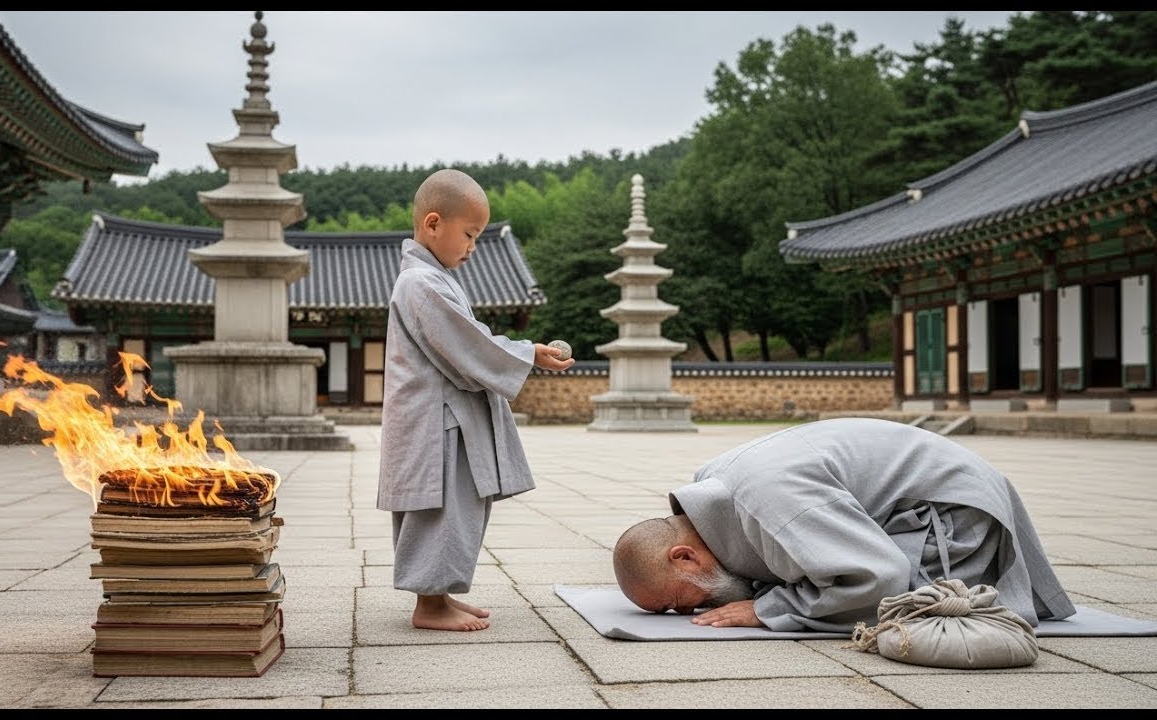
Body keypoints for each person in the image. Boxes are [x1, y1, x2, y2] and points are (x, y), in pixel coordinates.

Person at [612, 417, 1077, 633]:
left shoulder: (766, 499)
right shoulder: (710, 489)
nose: (688, 614)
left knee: (908, 607)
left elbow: (880, 574)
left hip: (955, 511)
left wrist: (769, 610)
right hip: (920, 493)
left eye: (676, 603)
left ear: (684, 555)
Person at [378, 168, 575, 632]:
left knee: (457, 507)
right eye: (468, 234)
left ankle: (440, 594)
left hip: (444, 417)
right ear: (432, 224)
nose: (472, 247)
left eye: (477, 237)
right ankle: (429, 606)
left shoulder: (433, 278)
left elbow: (472, 338)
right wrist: (527, 353)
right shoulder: (419, 283)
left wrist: (525, 351)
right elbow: (466, 344)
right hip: (437, 421)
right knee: (442, 507)